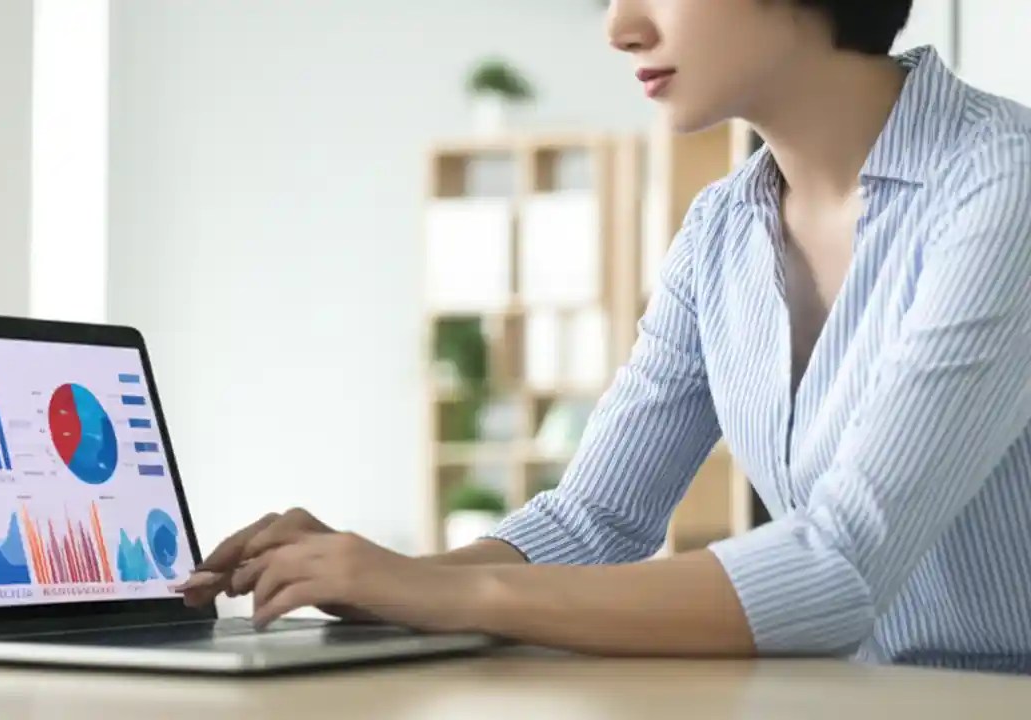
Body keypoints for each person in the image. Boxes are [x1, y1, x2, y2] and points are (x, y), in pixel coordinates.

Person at [178, 0, 1031, 669]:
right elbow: (592, 524)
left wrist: (443, 595)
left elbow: (837, 569)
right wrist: (373, 580)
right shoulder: (720, 230)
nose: (621, 28)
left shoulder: (1003, 182)